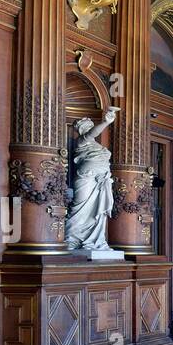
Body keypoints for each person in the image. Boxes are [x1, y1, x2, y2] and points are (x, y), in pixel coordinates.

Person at [66, 107, 120, 252]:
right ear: (81, 130)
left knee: (98, 210)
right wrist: (105, 122)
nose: (90, 129)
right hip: (87, 177)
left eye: (91, 126)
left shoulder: (97, 145)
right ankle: (72, 238)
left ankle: (95, 241)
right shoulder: (81, 142)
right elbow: (92, 134)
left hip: (102, 178)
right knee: (80, 207)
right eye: (87, 128)